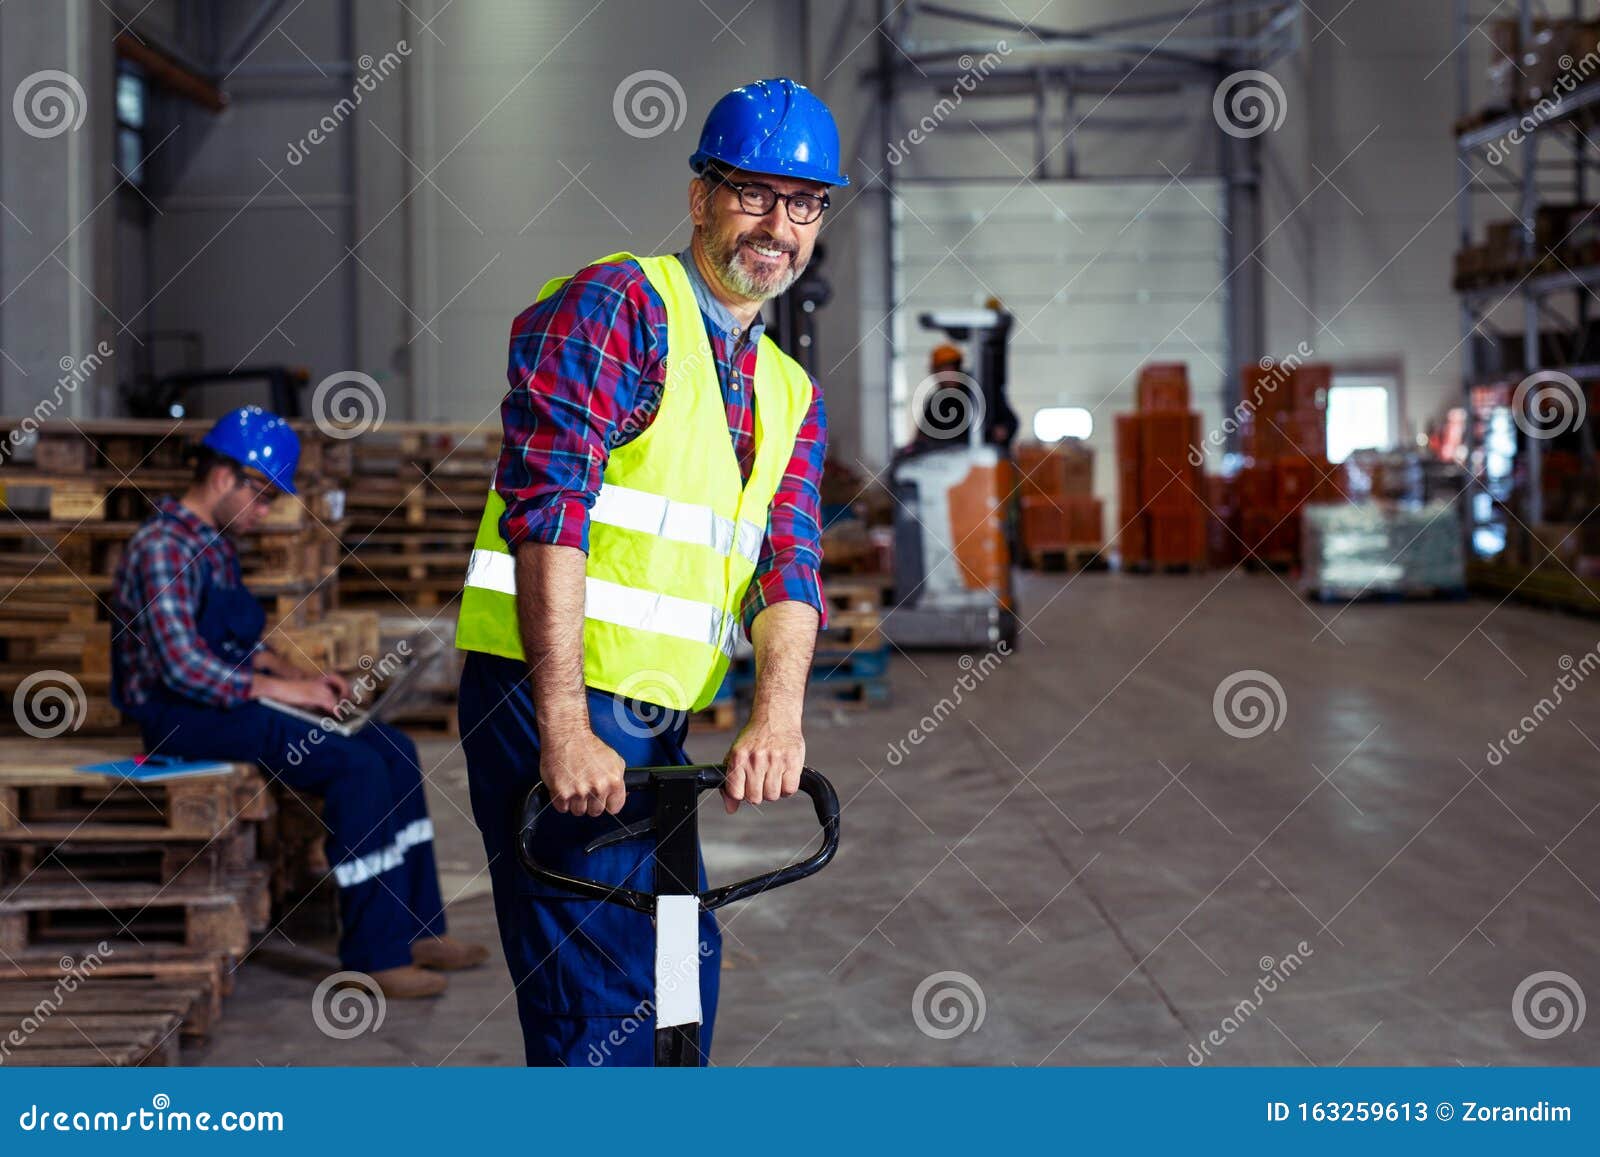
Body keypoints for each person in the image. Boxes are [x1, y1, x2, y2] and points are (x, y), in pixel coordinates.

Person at [455, 77, 841, 1066]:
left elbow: (787, 565)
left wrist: (780, 712)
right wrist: (566, 725)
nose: (778, 225)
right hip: (551, 698)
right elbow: (551, 517)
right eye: (755, 192)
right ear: (701, 196)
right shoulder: (615, 307)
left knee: (680, 980)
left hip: (658, 728)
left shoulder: (787, 387)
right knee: (597, 998)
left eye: (803, 203)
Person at [110, 406, 487, 999]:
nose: (264, 513)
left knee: (394, 748)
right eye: (260, 497)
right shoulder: (163, 548)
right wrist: (292, 693)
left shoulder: (212, 544)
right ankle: (375, 955)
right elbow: (183, 667)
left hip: (227, 704)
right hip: (179, 716)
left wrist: (300, 675)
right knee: (355, 768)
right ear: (223, 477)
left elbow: (237, 644)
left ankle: (417, 927)